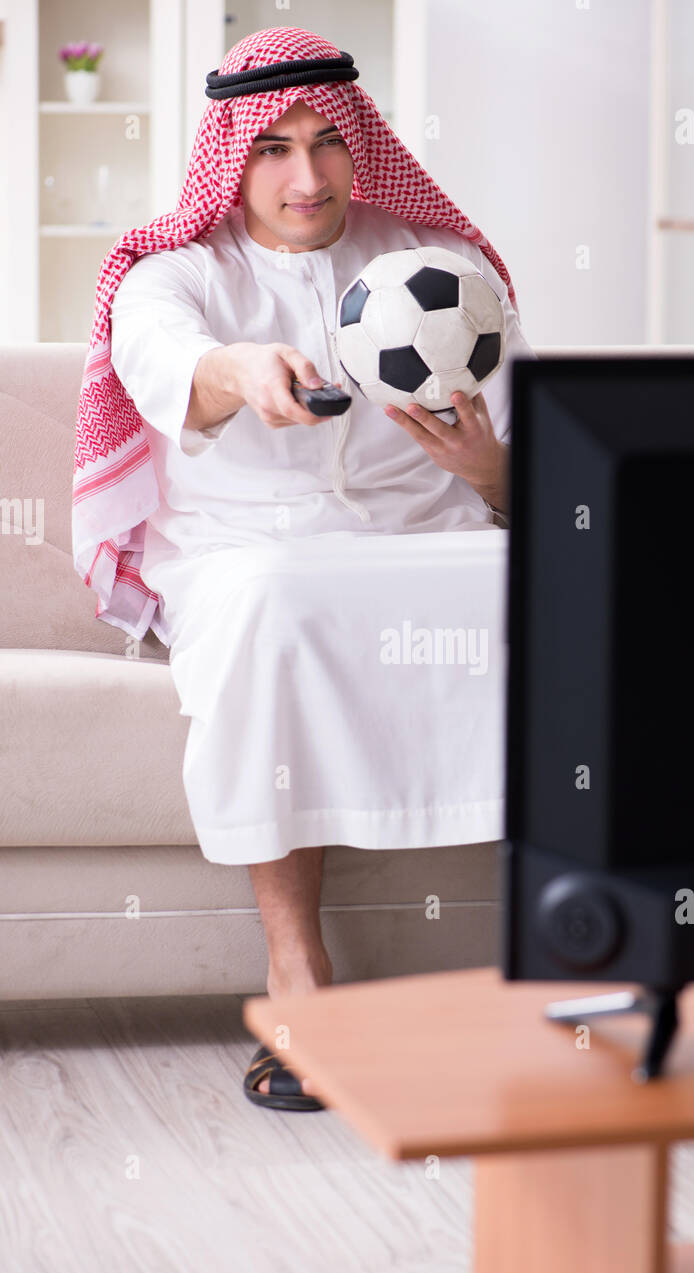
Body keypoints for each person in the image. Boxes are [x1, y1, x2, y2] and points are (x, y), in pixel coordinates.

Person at [72, 26, 535, 1111]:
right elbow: (168, 361)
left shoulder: (439, 271)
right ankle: (297, 978)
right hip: (247, 551)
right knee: (278, 600)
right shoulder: (174, 274)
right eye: (273, 147)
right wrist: (239, 372)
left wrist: (490, 470)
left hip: (422, 542)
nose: (307, 175)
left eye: (328, 142)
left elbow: (532, 486)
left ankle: (580, 959)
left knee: (562, 588)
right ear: (230, 156)